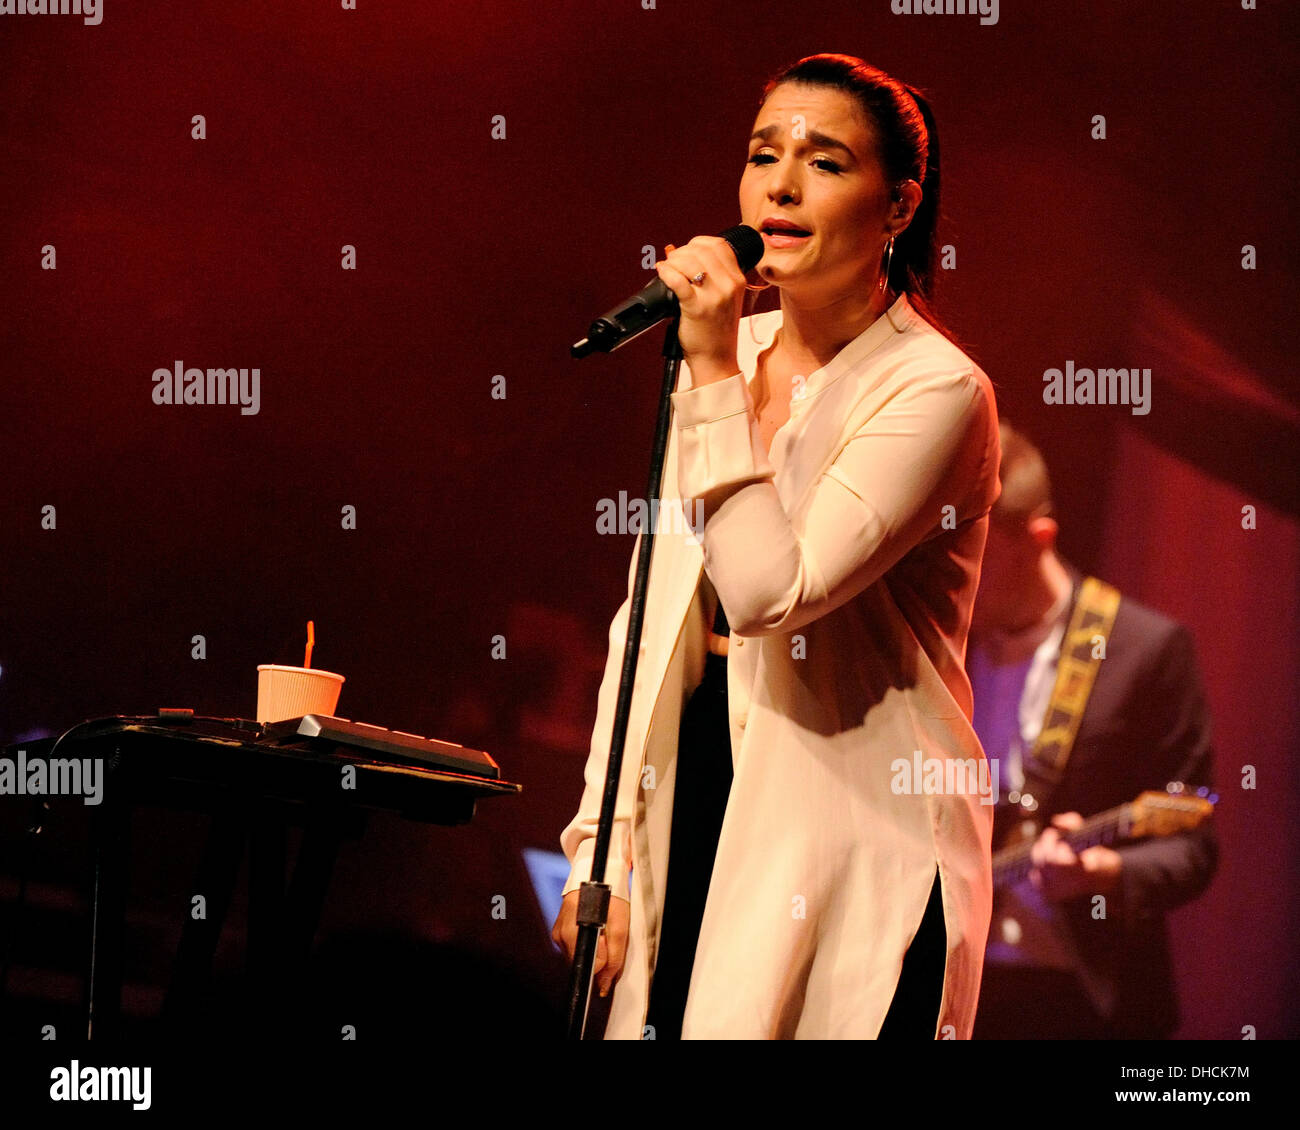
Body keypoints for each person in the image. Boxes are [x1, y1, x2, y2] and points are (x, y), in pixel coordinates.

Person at [553, 53, 1001, 1039]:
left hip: (850, 827)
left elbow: (769, 592)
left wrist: (710, 363)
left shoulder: (934, 389)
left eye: (824, 162)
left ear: (898, 206)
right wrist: (601, 850)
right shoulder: (731, 353)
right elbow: (647, 620)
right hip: (694, 785)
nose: (781, 186)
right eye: (764, 156)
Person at [967, 421, 1218, 1039]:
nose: (957, 576)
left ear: (1039, 537)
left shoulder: (1146, 649)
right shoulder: (944, 643)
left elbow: (1194, 846)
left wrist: (1103, 872)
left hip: (1078, 1001)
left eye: (975, 556)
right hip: (956, 988)